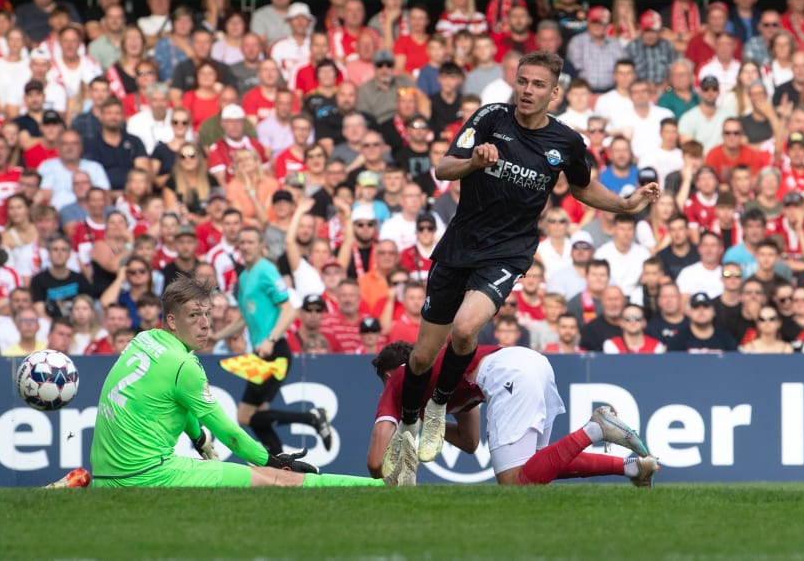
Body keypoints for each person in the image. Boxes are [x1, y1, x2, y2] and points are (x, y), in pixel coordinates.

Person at [387, 51, 661, 467]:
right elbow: (444, 169)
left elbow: (582, 188)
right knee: (422, 356)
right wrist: (474, 161)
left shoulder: (566, 143)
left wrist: (626, 205)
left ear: (554, 92)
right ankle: (409, 424)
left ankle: (440, 406)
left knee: (464, 329)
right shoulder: (491, 118)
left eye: (537, 85)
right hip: (461, 245)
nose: (527, 91)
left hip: (508, 253)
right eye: (522, 81)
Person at [90, 276, 399, 488]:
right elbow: (232, 436)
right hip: (147, 476)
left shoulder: (142, 340)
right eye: (194, 315)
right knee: (279, 481)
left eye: (207, 314)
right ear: (172, 320)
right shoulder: (183, 365)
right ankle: (382, 487)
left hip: (105, 477)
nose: (206, 324)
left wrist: (198, 439)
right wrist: (274, 462)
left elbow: (175, 402)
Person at [369, 342, 657, 486]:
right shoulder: (444, 381)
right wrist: (427, 420)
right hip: (529, 362)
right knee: (539, 465)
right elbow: (470, 442)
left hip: (506, 373)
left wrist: (397, 471)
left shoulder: (399, 380)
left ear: (390, 374)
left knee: (513, 480)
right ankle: (631, 467)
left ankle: (596, 429)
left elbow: (375, 463)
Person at [210, 226, 333, 456]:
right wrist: (218, 335)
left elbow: (290, 309)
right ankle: (279, 461)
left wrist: (270, 339)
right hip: (264, 352)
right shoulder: (245, 277)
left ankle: (311, 417)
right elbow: (244, 318)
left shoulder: (266, 270)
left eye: (250, 242)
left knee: (245, 416)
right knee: (259, 415)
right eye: (242, 243)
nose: (245, 246)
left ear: (261, 246)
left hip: (274, 351)